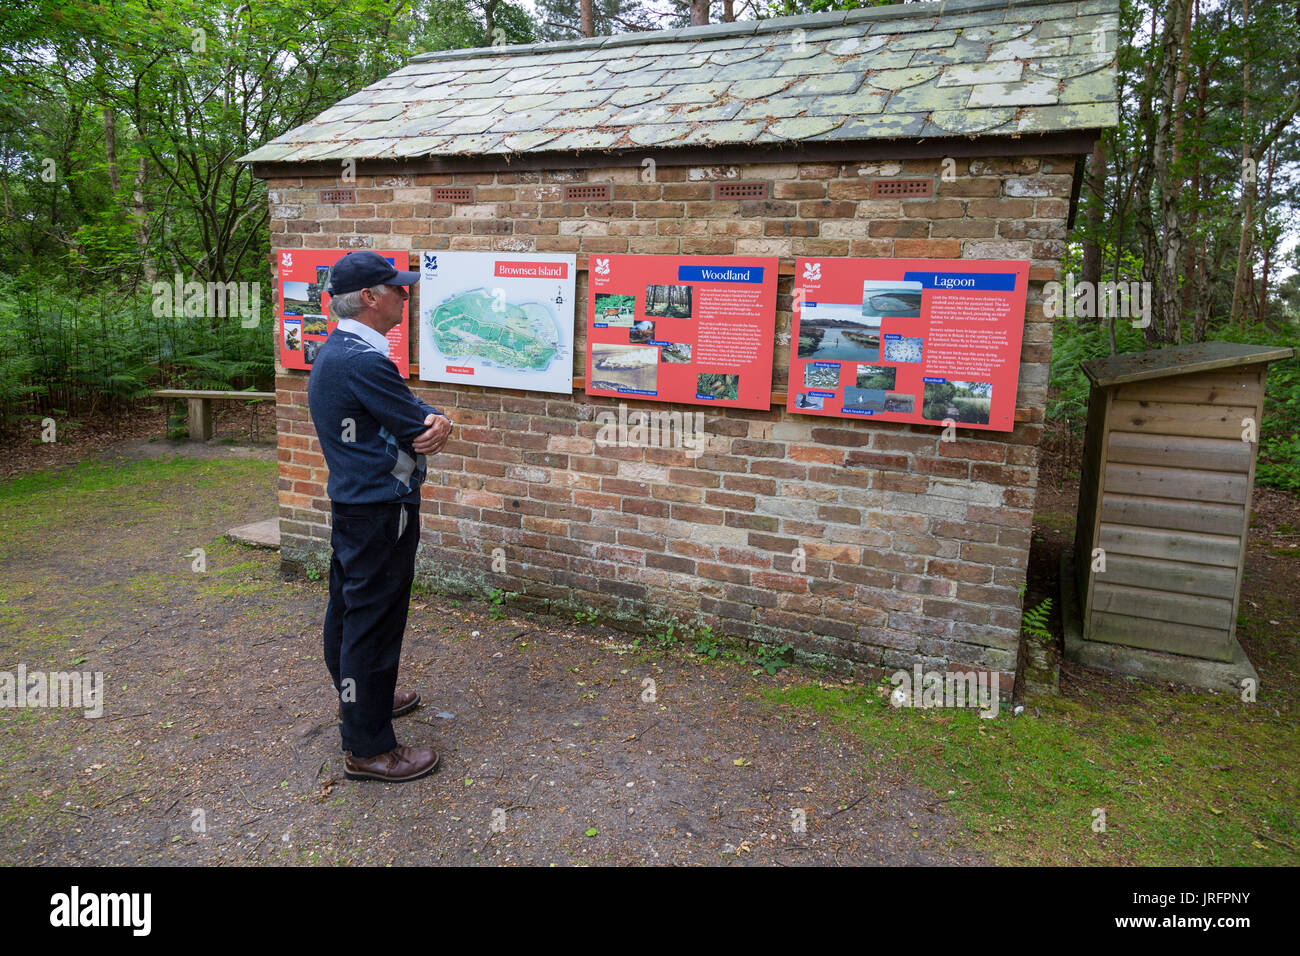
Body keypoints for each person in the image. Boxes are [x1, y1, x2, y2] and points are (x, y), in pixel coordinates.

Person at [307, 250, 452, 783]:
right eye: (398, 289)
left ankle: (362, 698)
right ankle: (368, 747)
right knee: (374, 619)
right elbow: (416, 423)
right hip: (380, 510)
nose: (405, 296)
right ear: (369, 298)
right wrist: (441, 422)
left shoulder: (340, 350)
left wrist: (430, 421)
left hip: (356, 504)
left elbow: (404, 415)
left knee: (349, 608)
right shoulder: (363, 359)